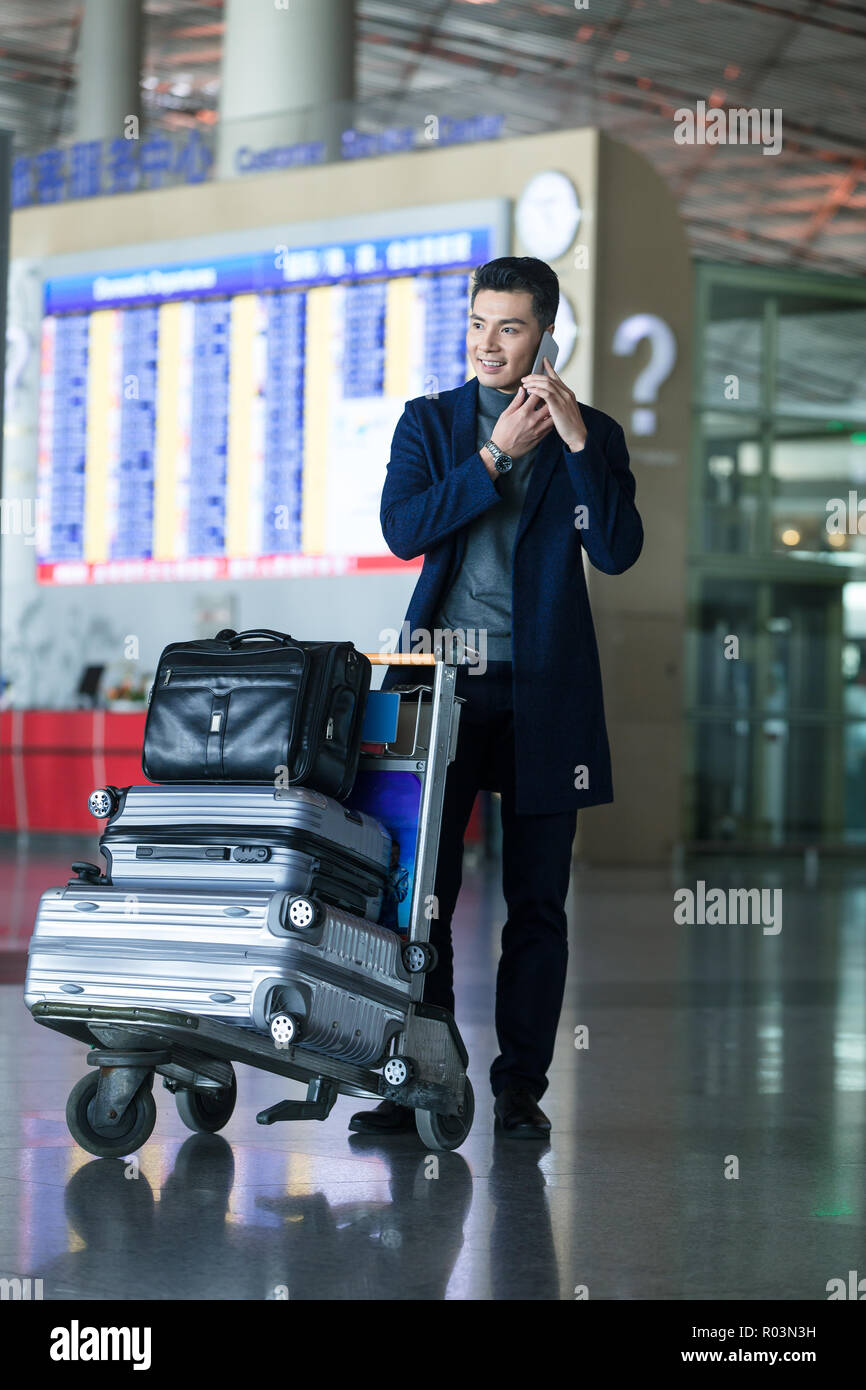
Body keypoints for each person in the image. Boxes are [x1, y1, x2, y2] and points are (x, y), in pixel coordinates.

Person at [349, 256, 643, 1140]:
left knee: (538, 901)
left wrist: (578, 444)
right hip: (443, 686)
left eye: (509, 327)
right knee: (421, 895)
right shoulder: (431, 424)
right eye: (479, 323)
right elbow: (404, 530)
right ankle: (420, 1079)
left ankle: (521, 1089)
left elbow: (620, 550)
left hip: (548, 692)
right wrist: (491, 456)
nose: (488, 342)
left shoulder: (594, 434)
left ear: (544, 334)